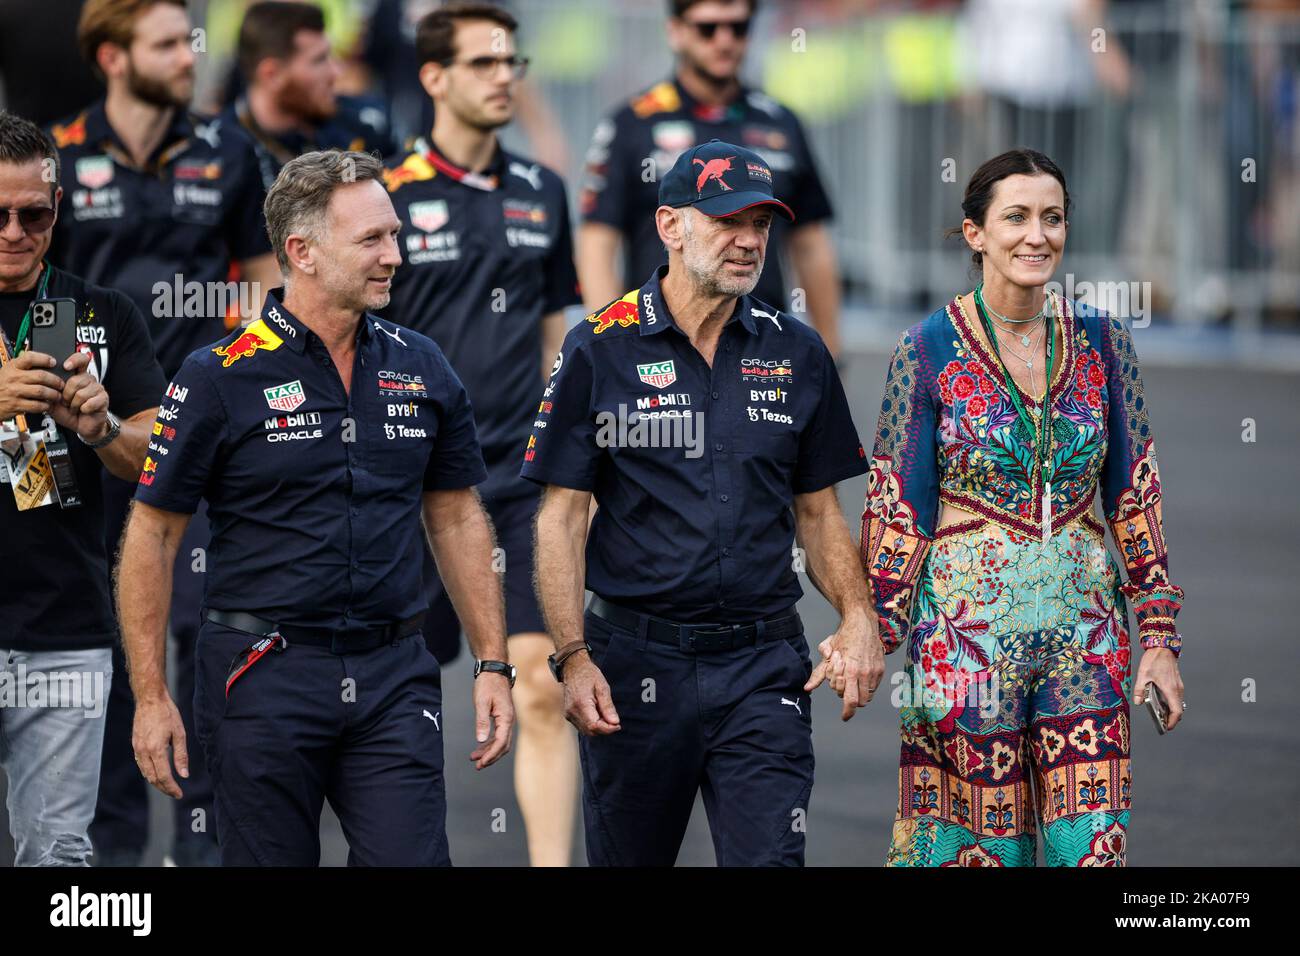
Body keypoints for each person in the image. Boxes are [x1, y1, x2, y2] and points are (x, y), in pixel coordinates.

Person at [116, 149, 515, 866]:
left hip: (395, 673)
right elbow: (152, 533)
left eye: (395, 233)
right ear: (301, 252)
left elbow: (456, 516)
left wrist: (493, 663)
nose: (395, 254)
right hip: (261, 673)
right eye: (372, 239)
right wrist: (150, 696)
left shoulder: (423, 365)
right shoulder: (216, 376)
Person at [526, 139, 881, 867]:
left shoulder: (799, 353)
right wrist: (572, 657)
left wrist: (857, 615)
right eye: (727, 221)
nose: (749, 241)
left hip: (761, 667)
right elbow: (561, 518)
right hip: (633, 667)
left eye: (761, 224)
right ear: (669, 226)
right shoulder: (598, 348)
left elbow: (819, 514)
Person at [861, 148, 1186, 867]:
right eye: (1016, 217)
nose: (1037, 235)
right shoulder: (926, 350)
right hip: (963, 647)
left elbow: (1136, 497)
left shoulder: (1104, 342)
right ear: (975, 232)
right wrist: (870, 632)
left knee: (1091, 849)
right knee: (973, 854)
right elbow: (896, 511)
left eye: (1052, 218)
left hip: (1087, 637)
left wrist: (1158, 636)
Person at [47, 0, 281, 867]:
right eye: (164, 44)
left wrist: (245, 395)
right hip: (86, 434)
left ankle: (201, 846)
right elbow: (37, 283)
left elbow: (264, 291)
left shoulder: (228, 151)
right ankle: (106, 868)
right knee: (100, 646)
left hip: (201, 438)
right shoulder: (61, 153)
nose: (188, 58)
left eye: (190, 41)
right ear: (112, 56)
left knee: (207, 640)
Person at [379, 0, 582, 867]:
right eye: (484, 63)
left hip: (517, 486)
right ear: (433, 77)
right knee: (403, 700)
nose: (505, 78)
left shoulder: (543, 190)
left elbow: (554, 331)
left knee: (542, 687)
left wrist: (568, 460)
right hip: (410, 491)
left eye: (513, 63)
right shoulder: (386, 195)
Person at [0, 110, 164, 866]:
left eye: (34, 214)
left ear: (59, 209)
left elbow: (156, 455)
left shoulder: (105, 314)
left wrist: (101, 430)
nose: (14, 232)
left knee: (58, 854)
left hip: (65, 630)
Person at [576, 0, 842, 359]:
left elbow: (811, 244)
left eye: (739, 28)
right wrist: (614, 348)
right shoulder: (632, 123)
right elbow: (597, 245)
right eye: (708, 28)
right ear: (675, 31)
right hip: (658, 344)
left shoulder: (781, 122)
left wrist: (831, 350)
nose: (725, 40)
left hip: (763, 347)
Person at [221, 1, 395, 193]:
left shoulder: (363, 127)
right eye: (319, 60)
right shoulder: (217, 154)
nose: (336, 72)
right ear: (272, 74)